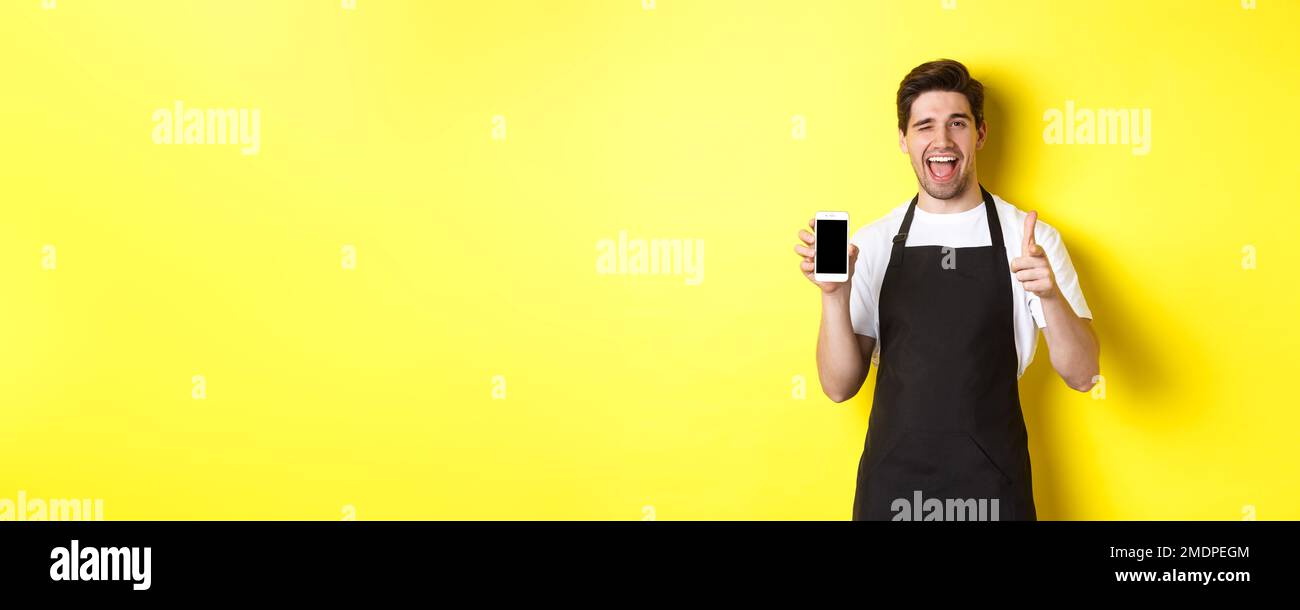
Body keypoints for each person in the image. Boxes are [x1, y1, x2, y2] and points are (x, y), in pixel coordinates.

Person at [793, 59, 1100, 521]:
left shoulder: (1030, 239)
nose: (942, 141)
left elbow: (1083, 375)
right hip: (892, 492)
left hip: (994, 490)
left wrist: (1052, 298)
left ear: (980, 134)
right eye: (925, 126)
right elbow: (838, 387)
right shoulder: (874, 243)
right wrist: (834, 295)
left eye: (957, 123)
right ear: (903, 139)